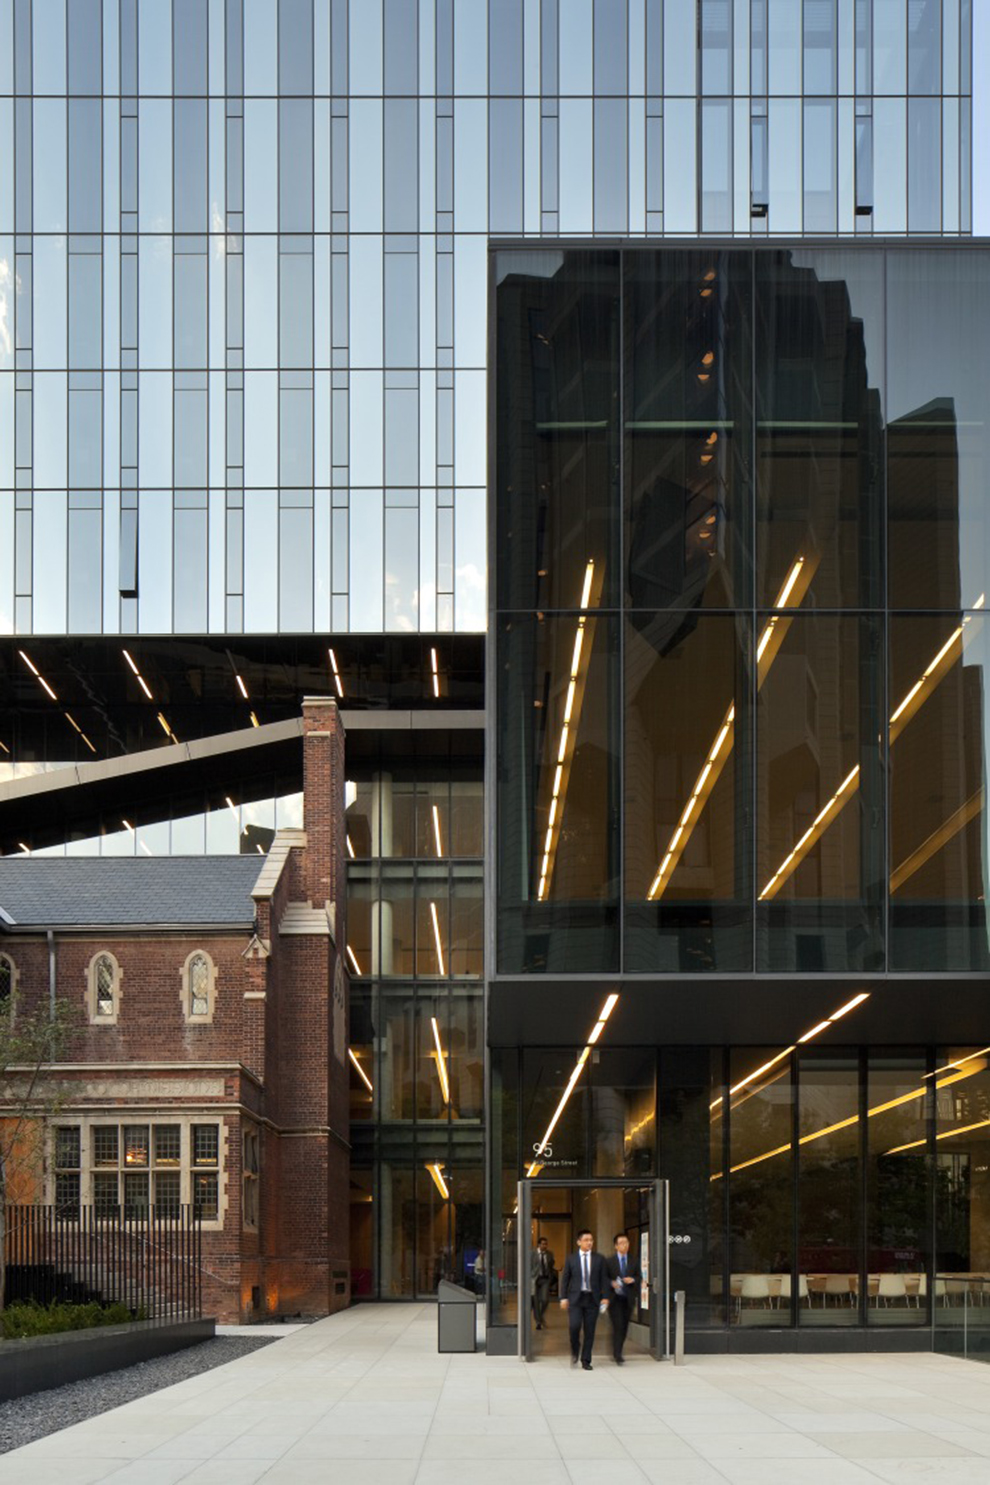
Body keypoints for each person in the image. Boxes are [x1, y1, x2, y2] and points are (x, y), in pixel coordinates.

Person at [559, 1228, 608, 1369]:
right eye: (586, 1240)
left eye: (591, 1240)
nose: (589, 1243)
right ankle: (575, 1349)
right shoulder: (571, 1259)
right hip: (575, 1300)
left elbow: (603, 1279)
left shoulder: (599, 1259)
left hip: (592, 1300)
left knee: (590, 1331)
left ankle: (586, 1360)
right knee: (574, 1327)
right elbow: (565, 1279)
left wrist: (605, 1297)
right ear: (578, 1242)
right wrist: (563, 1298)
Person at [605, 1232, 636, 1364]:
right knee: (618, 1325)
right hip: (614, 1299)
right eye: (622, 1243)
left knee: (624, 1326)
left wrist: (633, 1279)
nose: (625, 1245)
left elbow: (640, 1276)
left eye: (627, 1243)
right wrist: (611, 1283)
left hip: (627, 1298)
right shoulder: (609, 1261)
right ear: (616, 1246)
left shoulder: (634, 1260)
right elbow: (603, 1278)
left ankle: (618, 1349)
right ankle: (617, 1354)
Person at [531, 1235, 555, 1329]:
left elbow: (551, 1264)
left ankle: (540, 1316)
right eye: (543, 1244)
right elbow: (529, 1265)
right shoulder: (532, 1253)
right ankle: (538, 1322)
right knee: (536, 1302)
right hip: (535, 1279)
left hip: (545, 1279)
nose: (545, 1246)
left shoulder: (549, 1254)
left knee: (545, 1300)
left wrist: (551, 1276)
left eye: (546, 1244)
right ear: (538, 1245)